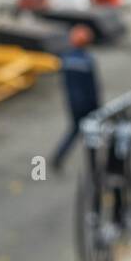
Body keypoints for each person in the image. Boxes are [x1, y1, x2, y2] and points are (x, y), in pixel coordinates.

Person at [52, 24, 100, 171]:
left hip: (72, 102)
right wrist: (97, 105)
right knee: (91, 133)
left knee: (75, 130)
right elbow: (92, 86)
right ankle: (93, 165)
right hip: (87, 103)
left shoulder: (65, 58)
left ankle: (58, 157)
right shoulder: (87, 60)